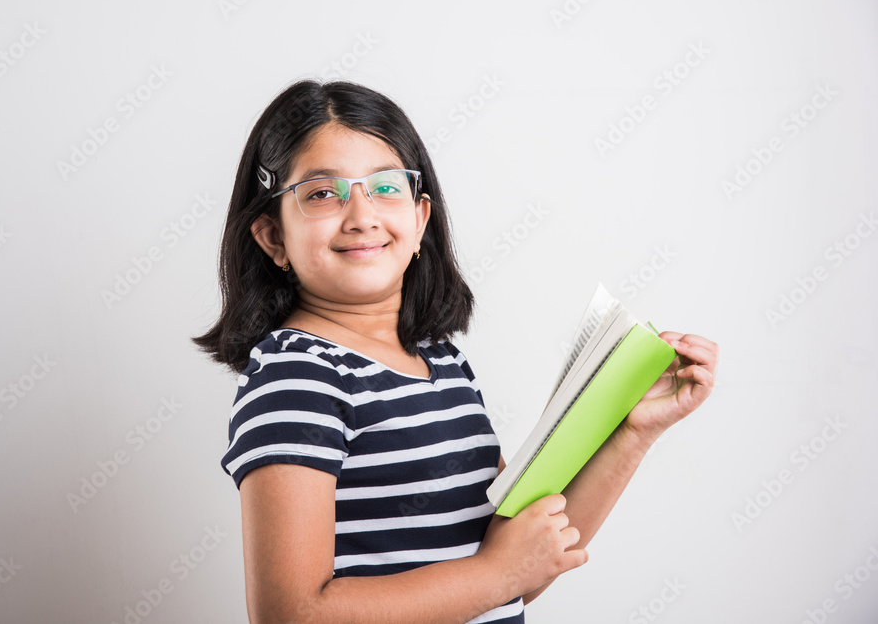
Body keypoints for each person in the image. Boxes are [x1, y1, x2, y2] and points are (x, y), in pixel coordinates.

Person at [192, 79, 719, 623]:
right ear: (272, 236)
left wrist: (634, 431)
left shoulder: (442, 364)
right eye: (323, 192)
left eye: (386, 187)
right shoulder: (297, 376)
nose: (361, 214)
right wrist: (498, 572)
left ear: (420, 221)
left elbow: (525, 564)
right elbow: (291, 615)